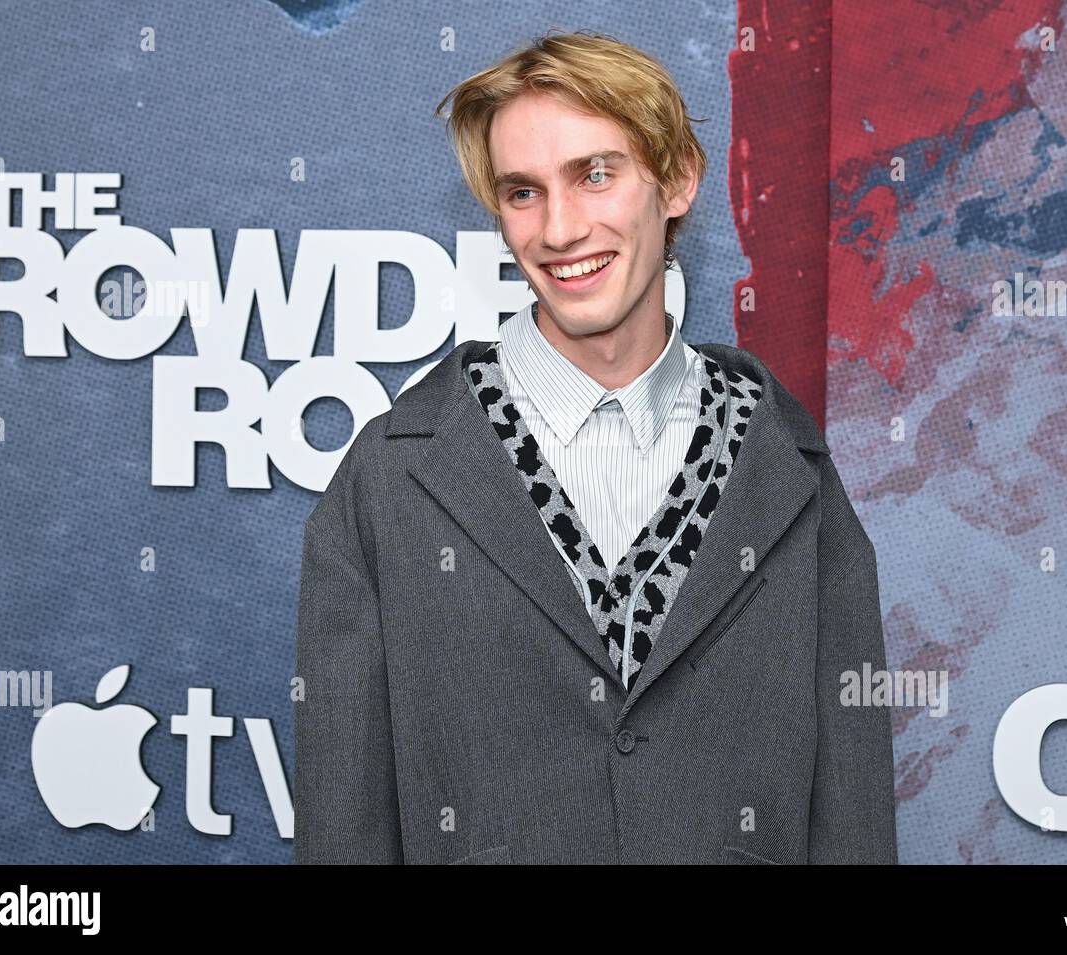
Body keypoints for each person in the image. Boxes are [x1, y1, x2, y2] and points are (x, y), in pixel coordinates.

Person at [293, 30, 896, 864]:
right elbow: (341, 831)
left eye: (595, 174)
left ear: (678, 179)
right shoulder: (390, 478)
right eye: (522, 192)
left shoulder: (789, 468)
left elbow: (854, 824)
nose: (560, 228)